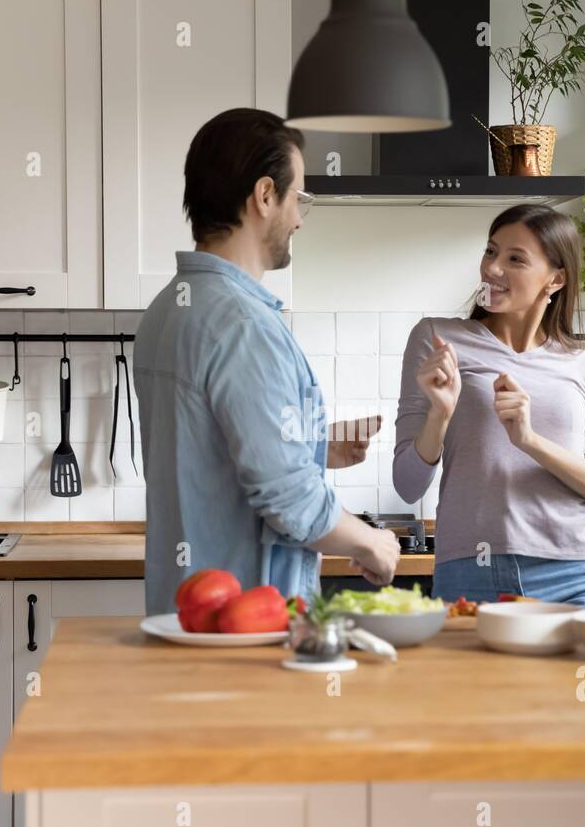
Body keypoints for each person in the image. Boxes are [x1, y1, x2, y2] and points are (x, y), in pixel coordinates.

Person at [135, 107, 399, 614]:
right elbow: (290, 502)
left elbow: (209, 447)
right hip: (247, 624)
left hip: (185, 616)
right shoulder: (244, 325)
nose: (299, 217)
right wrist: (371, 541)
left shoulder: (168, 309)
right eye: (298, 198)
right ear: (263, 196)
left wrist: (319, 444)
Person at [394, 204, 585, 609]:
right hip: (471, 571)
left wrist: (529, 440)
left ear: (555, 279)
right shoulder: (437, 341)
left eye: (515, 259)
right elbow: (407, 485)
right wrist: (439, 415)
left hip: (576, 573)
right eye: (490, 252)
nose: (492, 269)